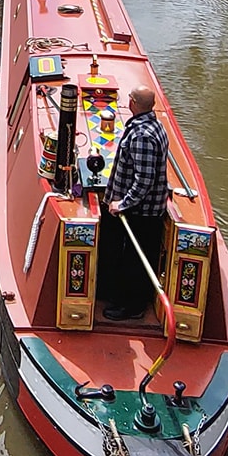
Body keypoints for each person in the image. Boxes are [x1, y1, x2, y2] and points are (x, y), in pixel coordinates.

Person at [99, 85, 169, 322]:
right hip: (141, 209)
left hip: (139, 213)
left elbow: (145, 180)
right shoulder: (155, 126)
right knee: (130, 256)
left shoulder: (141, 136)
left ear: (132, 103)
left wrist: (122, 204)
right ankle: (112, 292)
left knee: (134, 259)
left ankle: (132, 307)